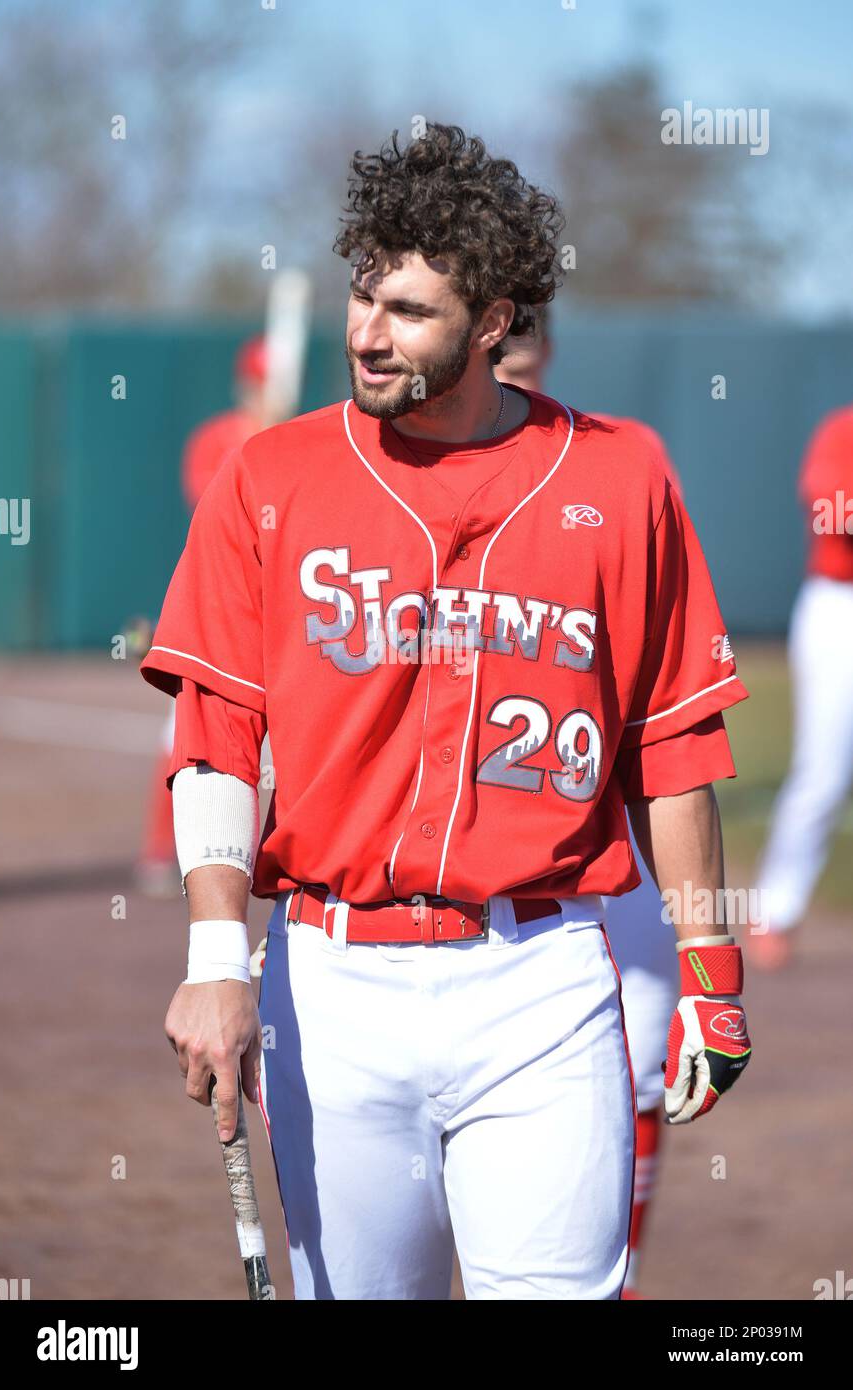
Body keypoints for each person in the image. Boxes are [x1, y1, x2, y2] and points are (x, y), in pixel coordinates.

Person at [141, 122, 752, 1300]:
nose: (367, 335)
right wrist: (216, 958)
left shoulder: (621, 477)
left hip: (543, 984)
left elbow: (672, 744)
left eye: (409, 312)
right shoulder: (272, 477)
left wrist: (708, 975)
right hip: (330, 983)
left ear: (492, 323)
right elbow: (217, 730)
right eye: (362, 297)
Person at [495, 311, 685, 1297]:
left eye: (527, 323)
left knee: (645, 1065)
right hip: (492, 876)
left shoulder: (617, 464)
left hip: (616, 841)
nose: (512, 343)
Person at [135, 337, 268, 896]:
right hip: (216, 610)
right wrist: (252, 440)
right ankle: (161, 855)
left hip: (278, 612)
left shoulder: (293, 437)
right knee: (188, 737)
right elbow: (209, 500)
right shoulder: (218, 438)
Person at [750, 407, 853, 969]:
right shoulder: (843, 429)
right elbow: (830, 510)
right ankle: (776, 909)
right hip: (841, 605)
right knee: (824, 772)